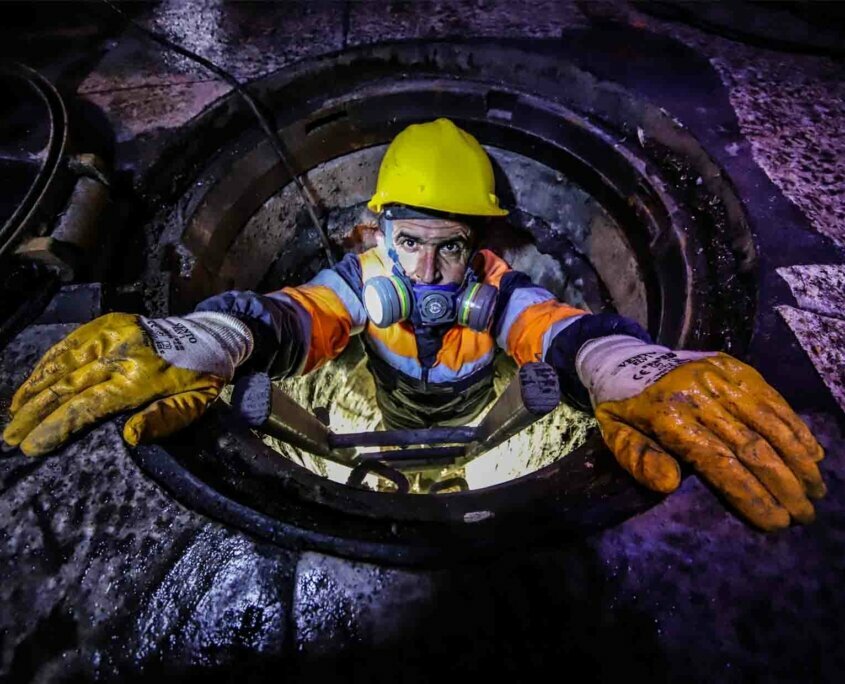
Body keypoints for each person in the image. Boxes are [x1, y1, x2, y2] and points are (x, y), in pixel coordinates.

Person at [2, 119, 826, 531]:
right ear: (377, 231)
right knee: (273, 396)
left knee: (544, 397)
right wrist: (201, 341)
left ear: (483, 243)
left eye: (452, 248)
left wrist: (632, 369)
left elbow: (562, 330)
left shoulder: (500, 292)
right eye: (409, 245)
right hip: (381, 396)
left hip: (475, 408)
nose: (427, 275)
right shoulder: (363, 282)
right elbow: (294, 316)